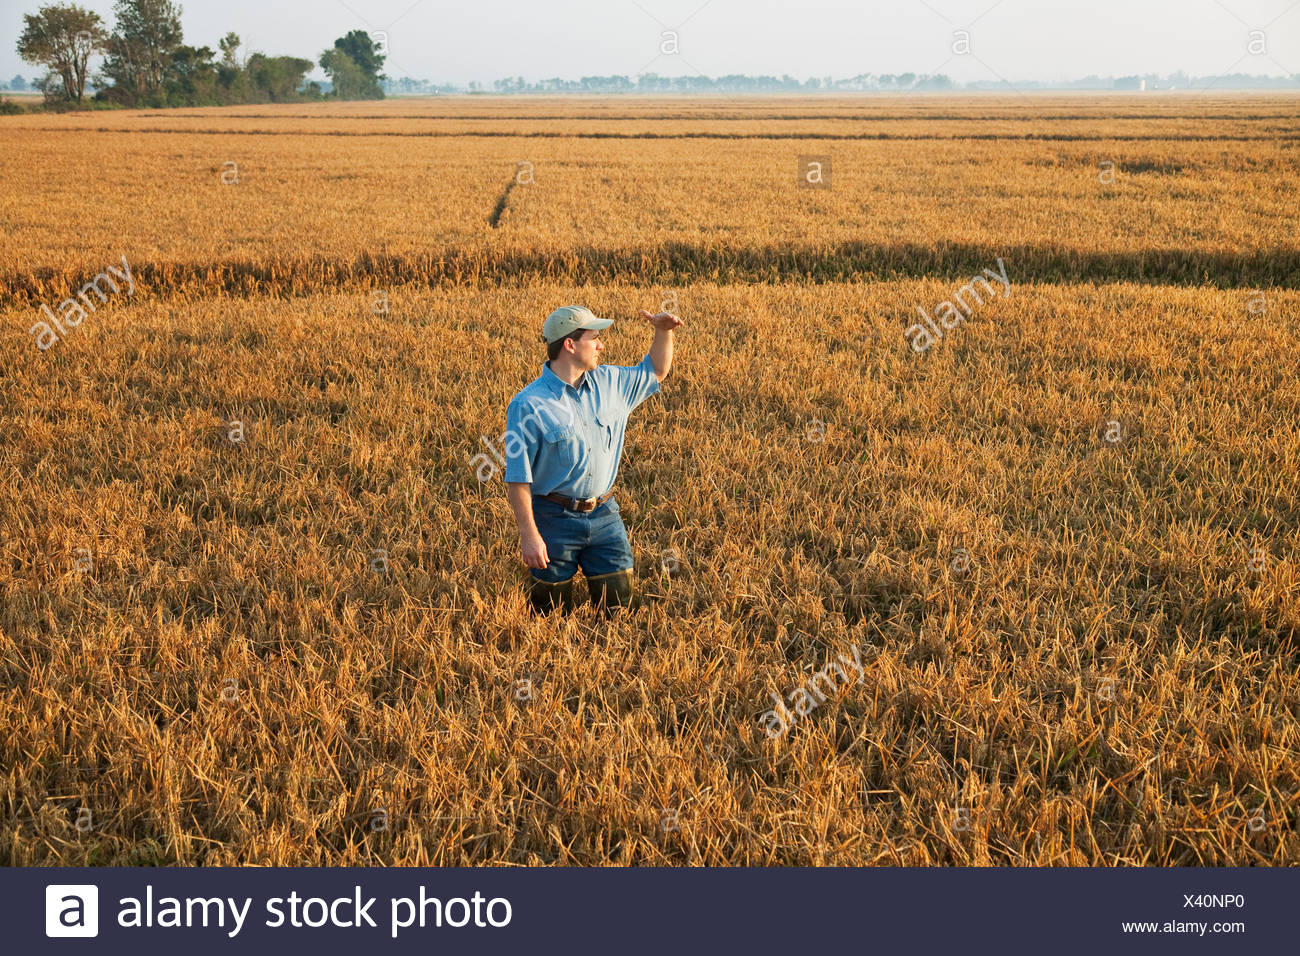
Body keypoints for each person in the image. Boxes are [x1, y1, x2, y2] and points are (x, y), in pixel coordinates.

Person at [504, 304, 682, 615]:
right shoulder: (528, 404)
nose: (601, 345)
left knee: (620, 609)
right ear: (570, 345)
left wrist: (663, 331)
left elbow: (656, 370)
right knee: (549, 614)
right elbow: (518, 478)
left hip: (605, 516)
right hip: (553, 519)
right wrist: (529, 536)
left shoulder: (611, 382)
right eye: (594, 338)